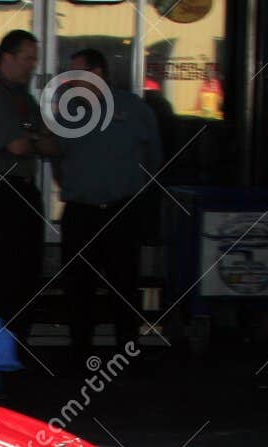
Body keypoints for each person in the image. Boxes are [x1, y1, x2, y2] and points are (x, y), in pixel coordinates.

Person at [51, 48, 161, 362]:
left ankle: (126, 355)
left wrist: (135, 191)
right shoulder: (68, 115)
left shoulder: (133, 108)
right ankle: (80, 355)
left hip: (121, 212)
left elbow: (153, 157)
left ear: (98, 74)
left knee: (124, 286)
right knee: (77, 288)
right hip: (80, 212)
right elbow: (58, 161)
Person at [0, 30, 58, 337]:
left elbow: (51, 144)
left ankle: (19, 342)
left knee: (28, 271)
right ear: (8, 58)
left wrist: (33, 140)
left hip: (25, 188)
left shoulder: (24, 98)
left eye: (34, 59)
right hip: (0, 190)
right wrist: (35, 140)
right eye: (27, 58)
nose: (32, 65)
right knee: (1, 272)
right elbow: (18, 145)